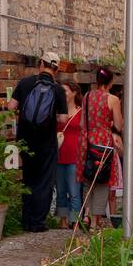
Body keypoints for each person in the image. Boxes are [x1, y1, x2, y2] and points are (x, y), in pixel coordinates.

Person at [8, 51, 68, 232]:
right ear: (56, 69)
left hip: (26, 140)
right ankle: (38, 223)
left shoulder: (25, 83)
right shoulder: (58, 90)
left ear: (41, 63)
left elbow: (11, 106)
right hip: (46, 143)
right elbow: (64, 119)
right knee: (44, 182)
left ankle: (26, 221)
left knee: (28, 178)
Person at [79, 66, 123, 230]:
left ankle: (86, 216)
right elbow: (118, 125)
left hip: (87, 141)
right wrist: (109, 124)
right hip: (104, 141)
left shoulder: (87, 96)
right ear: (110, 82)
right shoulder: (113, 99)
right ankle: (95, 222)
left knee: (89, 179)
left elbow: (83, 123)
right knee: (103, 181)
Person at [55, 81, 83, 228]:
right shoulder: (57, 111)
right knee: (60, 190)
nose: (62, 93)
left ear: (74, 93)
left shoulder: (81, 111)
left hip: (75, 156)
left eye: (65, 91)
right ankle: (63, 220)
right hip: (59, 155)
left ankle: (75, 221)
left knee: (74, 191)